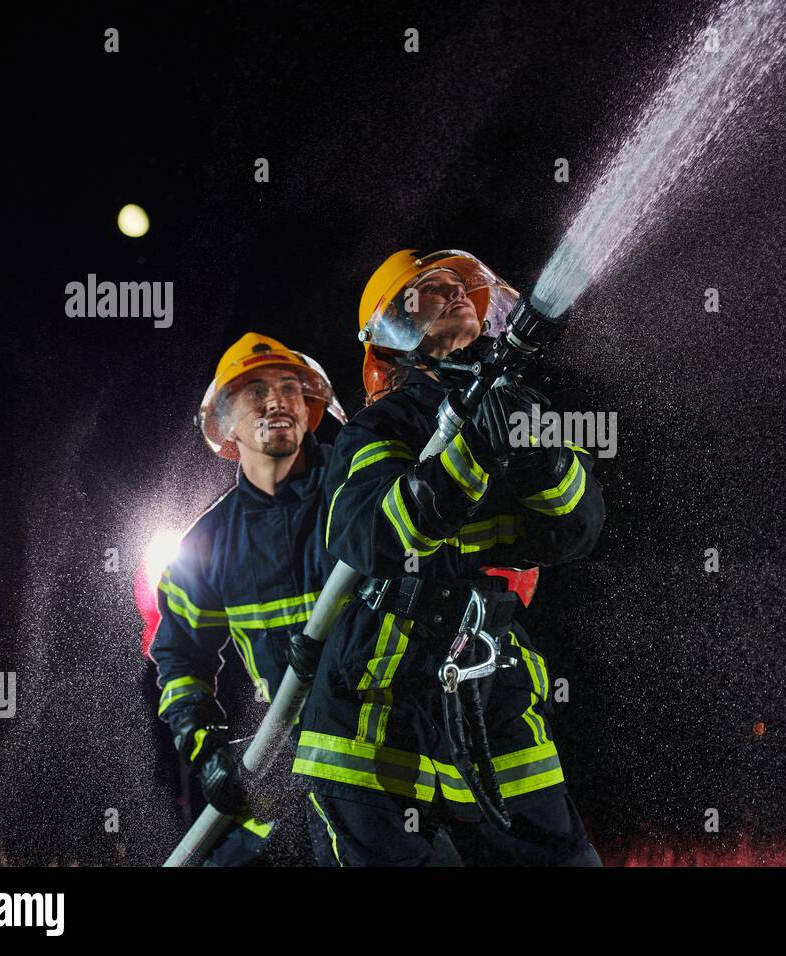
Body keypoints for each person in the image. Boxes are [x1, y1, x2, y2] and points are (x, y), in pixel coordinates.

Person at [293, 249, 605, 865]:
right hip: (374, 696)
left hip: (492, 682)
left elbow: (578, 527)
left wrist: (538, 455)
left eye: (460, 288)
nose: (457, 295)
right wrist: (466, 457)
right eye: (431, 293)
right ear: (393, 339)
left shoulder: (521, 410)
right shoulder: (378, 429)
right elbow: (368, 535)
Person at [150, 332, 346, 865]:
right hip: (284, 762)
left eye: (289, 388)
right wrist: (207, 750)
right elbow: (179, 657)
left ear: (309, 412)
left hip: (381, 750)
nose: (277, 400)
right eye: (255, 392)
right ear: (225, 425)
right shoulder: (208, 543)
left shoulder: (356, 487)